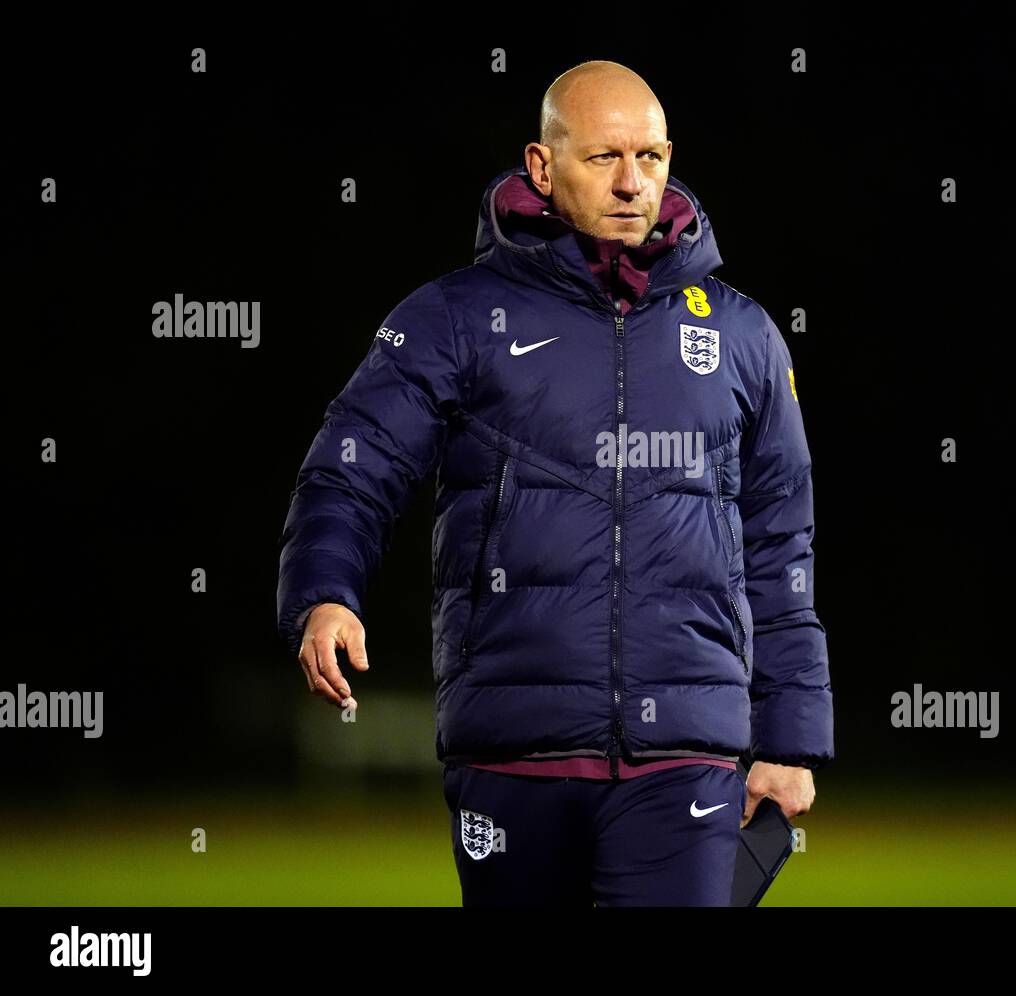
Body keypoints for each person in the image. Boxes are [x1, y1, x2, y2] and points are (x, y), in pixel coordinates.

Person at [275, 60, 833, 906]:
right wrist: (324, 591)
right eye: (603, 158)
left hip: (684, 753)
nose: (631, 182)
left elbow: (779, 543)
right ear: (542, 166)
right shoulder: (454, 317)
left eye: (648, 157)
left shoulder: (743, 334)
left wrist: (790, 738)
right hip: (511, 748)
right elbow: (352, 466)